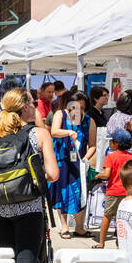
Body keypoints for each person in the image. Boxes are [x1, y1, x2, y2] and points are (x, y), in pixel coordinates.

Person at [0, 87, 60, 263]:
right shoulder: (39, 134)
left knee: (6, 261)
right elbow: (53, 174)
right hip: (29, 208)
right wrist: (31, 179)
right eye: (32, 103)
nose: (35, 106)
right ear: (24, 108)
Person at [49, 92, 97, 238]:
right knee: (61, 192)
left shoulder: (89, 121)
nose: (79, 110)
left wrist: (85, 159)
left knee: (80, 193)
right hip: (62, 160)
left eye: (82, 107)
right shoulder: (60, 114)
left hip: (79, 163)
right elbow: (54, 131)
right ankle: (63, 226)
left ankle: (79, 227)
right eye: (76, 106)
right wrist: (69, 132)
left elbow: (93, 145)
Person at [93, 127, 132, 249]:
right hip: (128, 192)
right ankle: (124, 242)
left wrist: (98, 175)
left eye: (111, 141)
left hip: (114, 191)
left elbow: (107, 175)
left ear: (117, 143)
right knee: (125, 218)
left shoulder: (111, 157)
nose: (109, 143)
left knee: (107, 216)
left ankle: (101, 243)